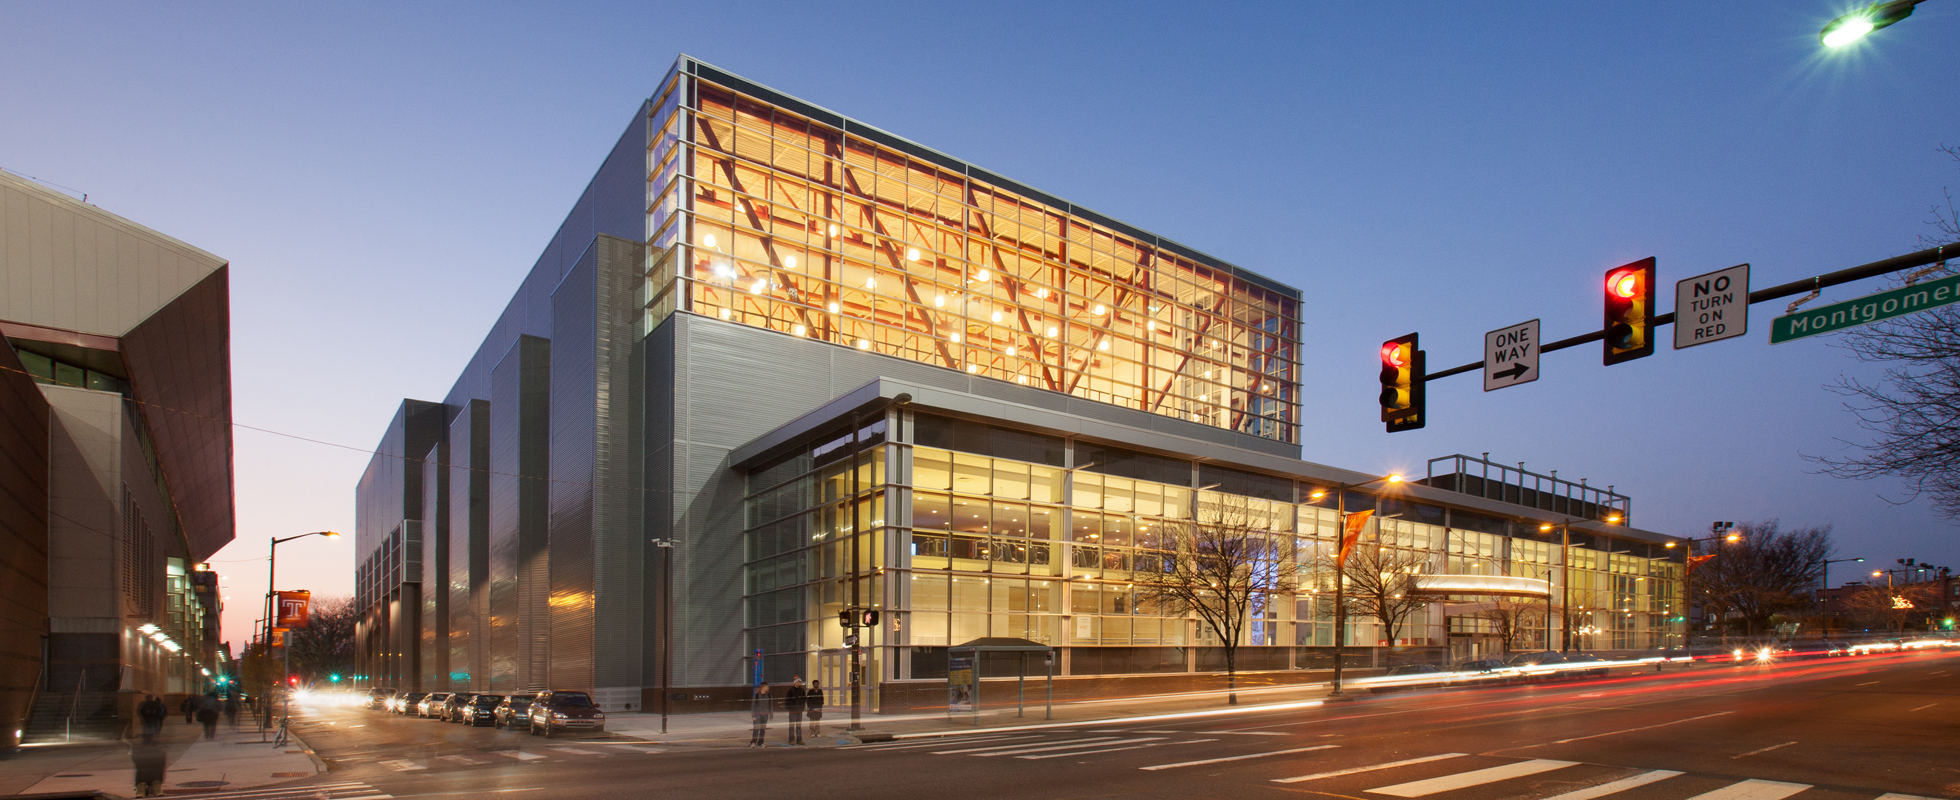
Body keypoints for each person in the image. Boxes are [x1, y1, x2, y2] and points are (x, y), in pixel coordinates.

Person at [783, 678, 806, 745]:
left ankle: (799, 740)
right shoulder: (791, 690)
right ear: (795, 683)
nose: (799, 683)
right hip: (793, 711)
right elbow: (787, 701)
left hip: (799, 711)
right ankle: (791, 740)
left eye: (800, 682)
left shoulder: (802, 690)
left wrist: (802, 708)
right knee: (792, 726)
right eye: (798, 682)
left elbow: (804, 699)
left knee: (799, 726)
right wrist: (790, 709)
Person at [748, 682, 772, 748]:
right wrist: (753, 716)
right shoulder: (756, 696)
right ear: (762, 687)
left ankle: (761, 742)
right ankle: (753, 742)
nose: (768, 688)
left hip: (765, 715)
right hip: (758, 714)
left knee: (763, 730)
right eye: (767, 687)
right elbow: (753, 706)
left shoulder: (769, 696)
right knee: (756, 729)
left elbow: (770, 706)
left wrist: (771, 715)